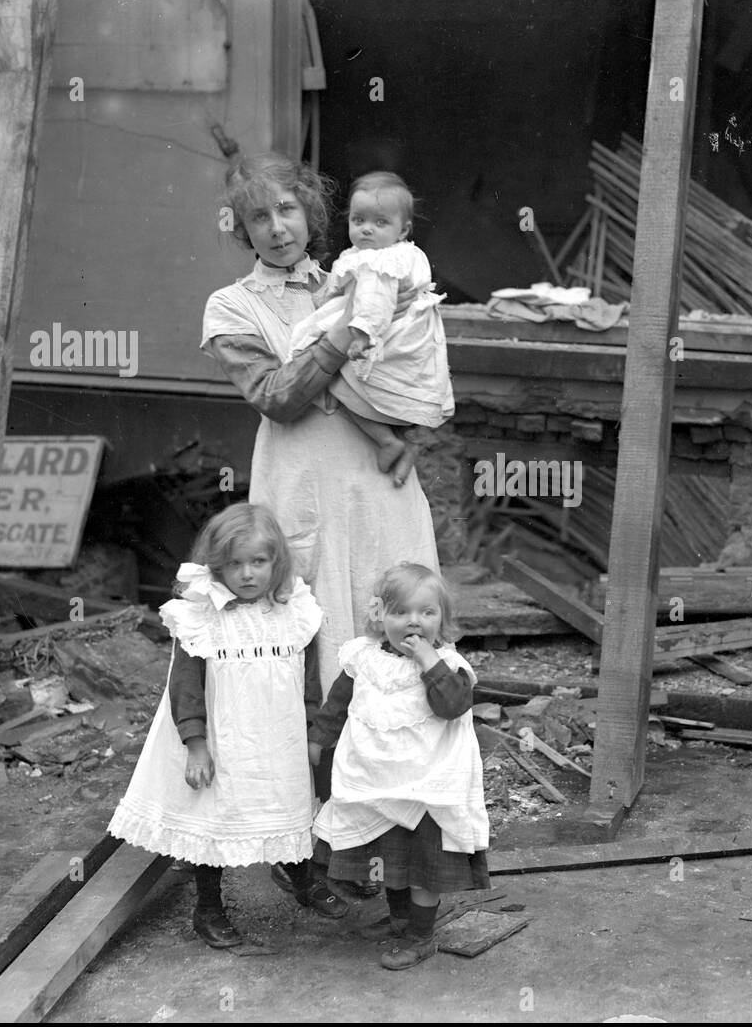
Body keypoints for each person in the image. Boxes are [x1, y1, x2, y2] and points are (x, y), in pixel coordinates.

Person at [202, 152, 443, 902]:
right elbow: (277, 396)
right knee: (305, 670)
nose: (276, 229)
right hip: (302, 492)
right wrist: (343, 339)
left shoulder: (368, 268)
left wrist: (407, 434)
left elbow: (418, 364)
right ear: (240, 230)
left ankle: (381, 850)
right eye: (258, 218)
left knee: (392, 654)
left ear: (312, 213)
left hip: (377, 487)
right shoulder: (231, 308)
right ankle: (301, 848)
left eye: (287, 211)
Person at [108, 503, 339, 949]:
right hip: (221, 736)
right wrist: (196, 745)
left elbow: (309, 682)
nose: (248, 574)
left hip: (279, 736)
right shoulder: (200, 616)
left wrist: (313, 734)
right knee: (214, 818)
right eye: (235, 564)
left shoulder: (295, 613)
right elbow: (186, 688)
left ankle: (301, 878)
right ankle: (208, 908)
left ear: (277, 562)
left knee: (287, 805)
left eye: (259, 562)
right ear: (217, 565)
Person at [308, 562, 490, 970]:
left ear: (442, 620)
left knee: (424, 864)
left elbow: (451, 707)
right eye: (401, 612)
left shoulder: (449, 664)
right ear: (380, 617)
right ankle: (400, 919)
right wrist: (319, 738)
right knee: (389, 858)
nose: (414, 623)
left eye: (427, 613)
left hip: (428, 784)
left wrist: (428, 660)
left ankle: (421, 934)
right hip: (378, 780)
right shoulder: (364, 658)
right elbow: (338, 703)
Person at [289, 170, 453, 487]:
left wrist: (361, 333)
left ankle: (385, 440)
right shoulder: (370, 255)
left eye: (380, 223)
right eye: (359, 220)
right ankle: (394, 441)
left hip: (383, 337)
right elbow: (337, 288)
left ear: (403, 229)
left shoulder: (383, 262)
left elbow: (374, 304)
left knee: (335, 379)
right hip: (392, 334)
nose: (366, 230)